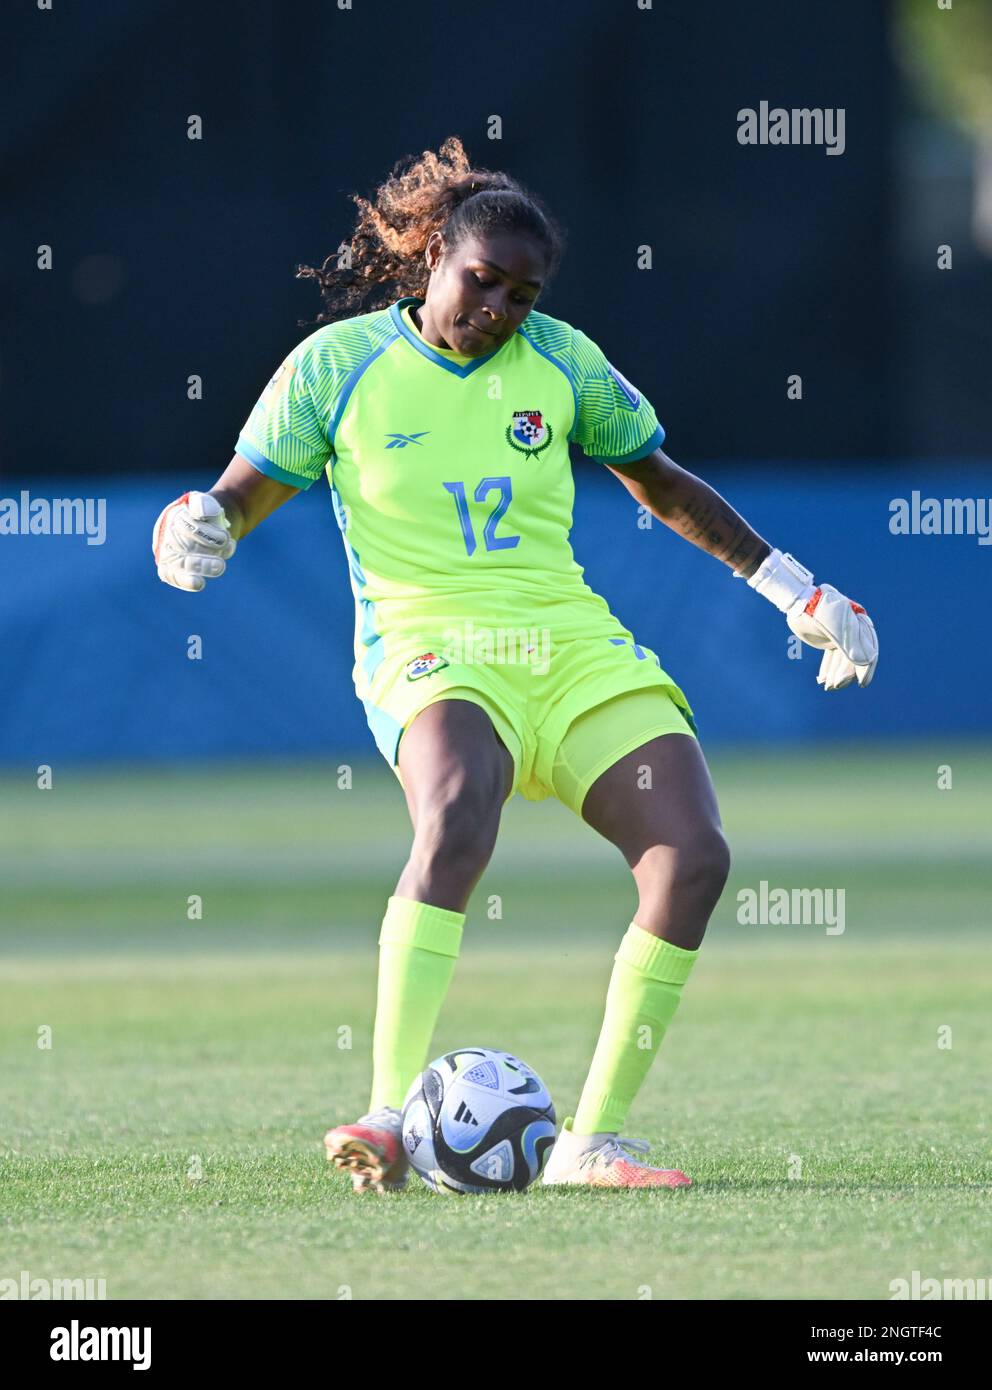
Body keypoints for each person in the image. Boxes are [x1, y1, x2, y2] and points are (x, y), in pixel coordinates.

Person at [152, 137, 878, 1192]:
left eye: (520, 294)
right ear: (432, 256)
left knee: (693, 856)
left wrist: (795, 589)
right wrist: (197, 522)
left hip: (568, 645)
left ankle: (593, 1140)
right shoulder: (335, 367)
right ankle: (389, 1111)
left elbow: (661, 485)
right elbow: (237, 496)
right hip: (429, 646)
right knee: (453, 816)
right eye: (479, 280)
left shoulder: (564, 365)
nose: (495, 308)